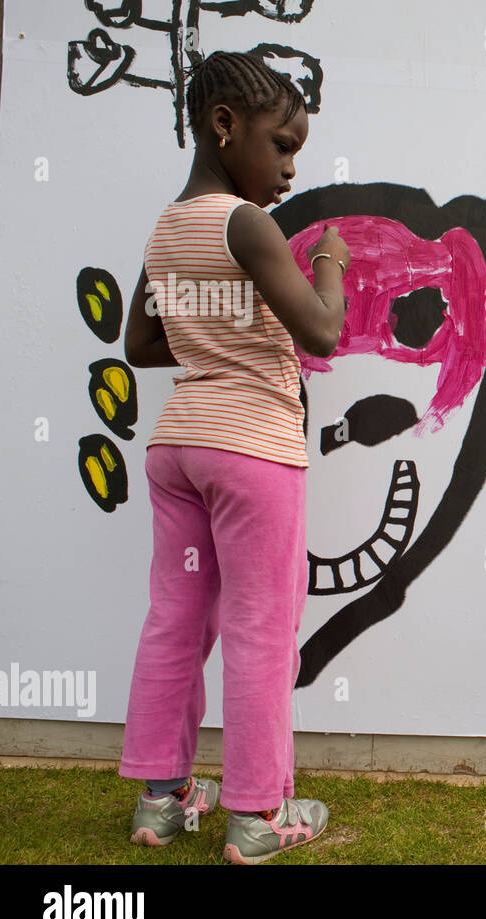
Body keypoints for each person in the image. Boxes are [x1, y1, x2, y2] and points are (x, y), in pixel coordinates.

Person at [119, 51, 348, 863]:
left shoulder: (166, 227)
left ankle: (162, 798)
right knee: (261, 627)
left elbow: (142, 343)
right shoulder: (248, 224)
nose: (290, 167)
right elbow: (321, 331)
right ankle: (257, 814)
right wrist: (329, 266)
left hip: (178, 445)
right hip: (251, 448)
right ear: (225, 126)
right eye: (282, 145)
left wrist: (208, 339)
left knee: (175, 618)